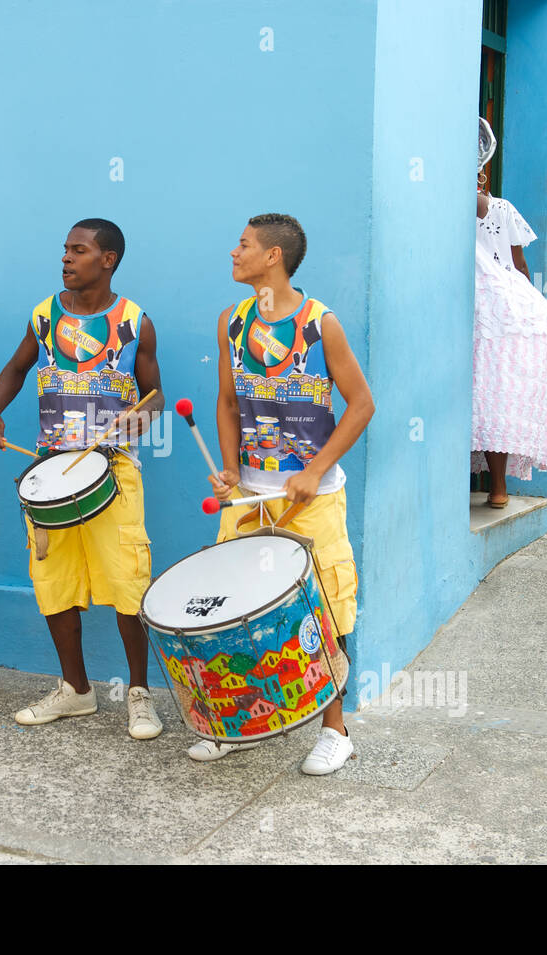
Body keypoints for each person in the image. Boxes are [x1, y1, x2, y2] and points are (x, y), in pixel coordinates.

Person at [0, 218, 166, 740]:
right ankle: (75, 690)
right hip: (48, 468)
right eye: (64, 250)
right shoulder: (44, 315)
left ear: (107, 260)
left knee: (127, 582)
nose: (66, 258)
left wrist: (139, 418)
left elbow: (155, 395)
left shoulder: (134, 323)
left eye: (78, 251)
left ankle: (140, 694)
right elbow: (16, 368)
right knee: (53, 581)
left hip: (113, 468)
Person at [201, 213, 374, 775]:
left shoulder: (321, 324)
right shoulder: (232, 320)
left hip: (312, 498)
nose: (234, 251)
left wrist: (316, 468)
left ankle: (335, 730)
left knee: (324, 605)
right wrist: (229, 468)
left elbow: (362, 404)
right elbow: (228, 404)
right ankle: (234, 722)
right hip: (249, 495)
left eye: (244, 245)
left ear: (273, 256)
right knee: (233, 608)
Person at [473, 169, 547, 507]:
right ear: (482, 173)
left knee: (481, 394)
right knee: (499, 395)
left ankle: (484, 486)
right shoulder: (503, 208)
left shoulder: (448, 208)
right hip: (511, 307)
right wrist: (526, 303)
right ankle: (498, 486)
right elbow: (519, 263)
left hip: (477, 306)